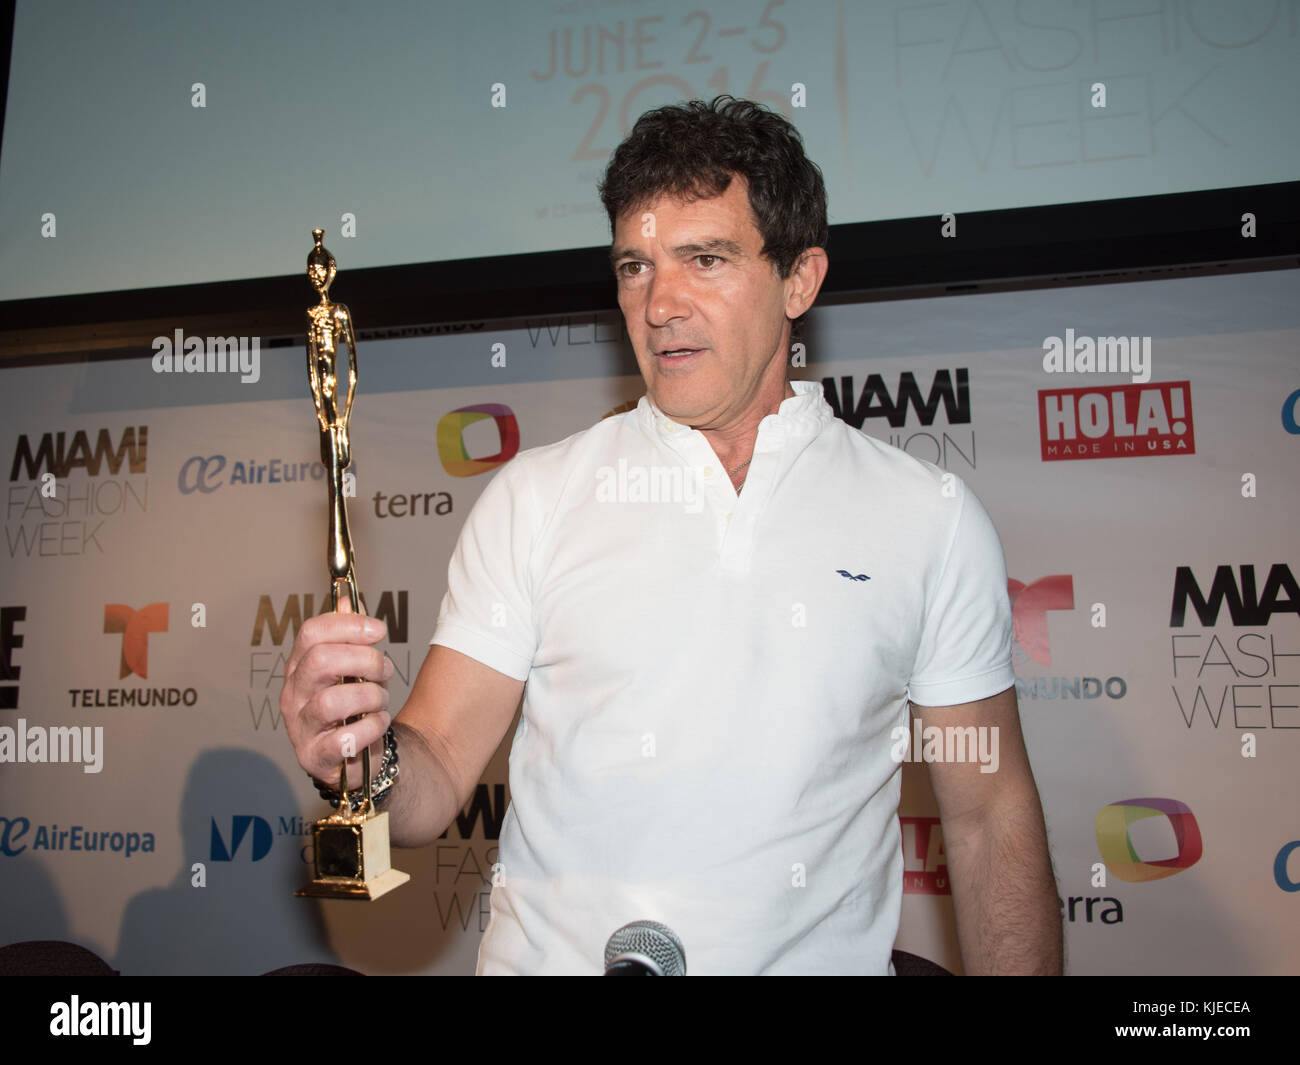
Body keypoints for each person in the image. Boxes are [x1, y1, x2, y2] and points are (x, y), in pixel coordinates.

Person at [280, 96, 1063, 975]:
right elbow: (433, 778)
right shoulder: (536, 497)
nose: (659, 304)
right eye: (635, 266)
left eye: (706, 258)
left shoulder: (928, 518)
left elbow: (989, 812)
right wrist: (365, 758)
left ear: (799, 278)